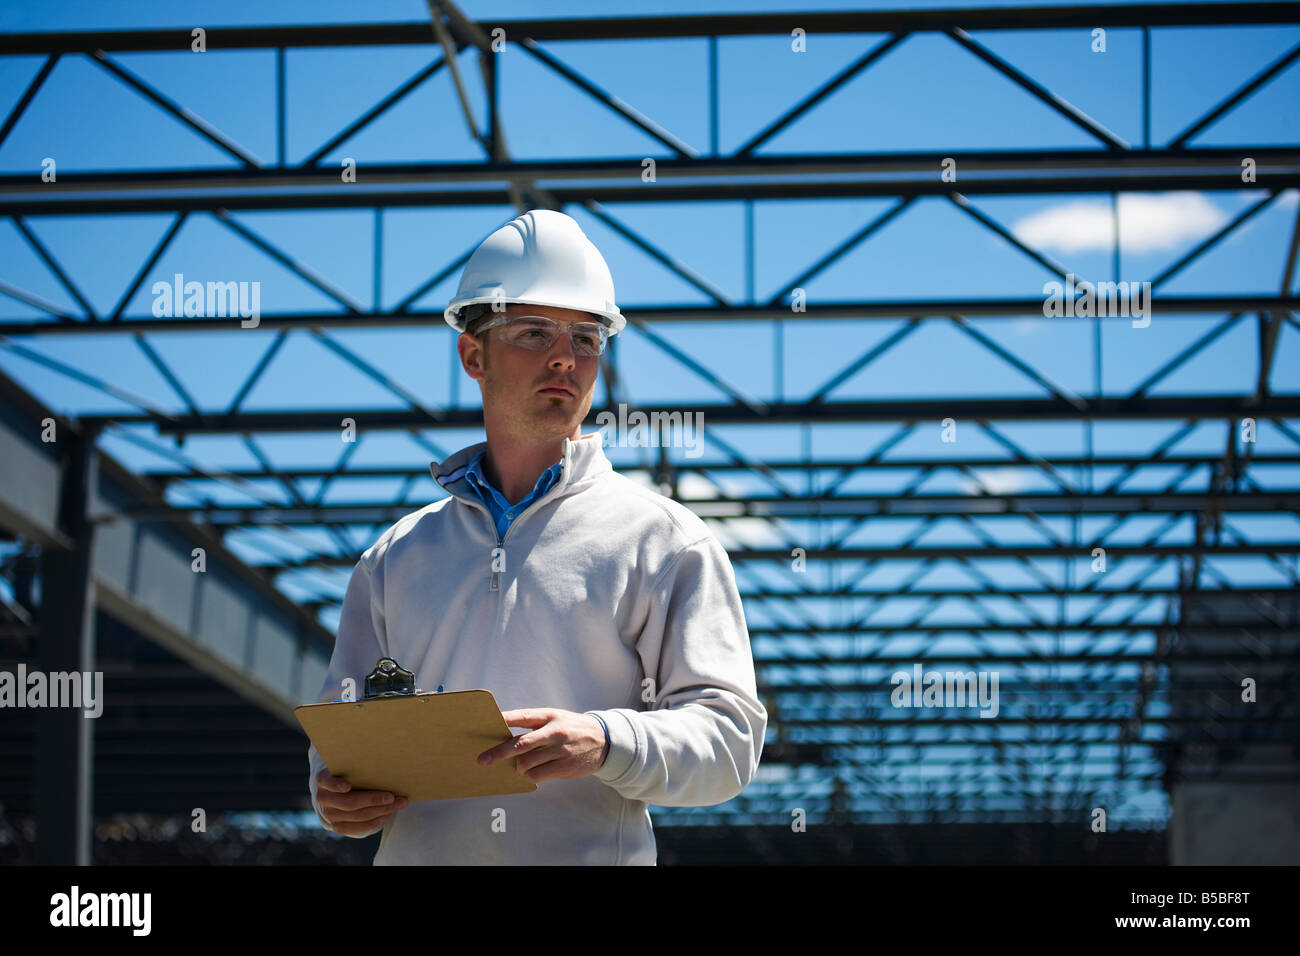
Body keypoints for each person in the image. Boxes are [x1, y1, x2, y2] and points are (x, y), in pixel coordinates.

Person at [306, 208, 767, 864]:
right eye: (533, 332)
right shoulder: (395, 559)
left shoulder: (663, 543)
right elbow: (342, 729)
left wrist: (609, 743)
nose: (564, 357)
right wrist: (334, 796)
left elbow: (730, 742)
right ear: (473, 355)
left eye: (586, 337)